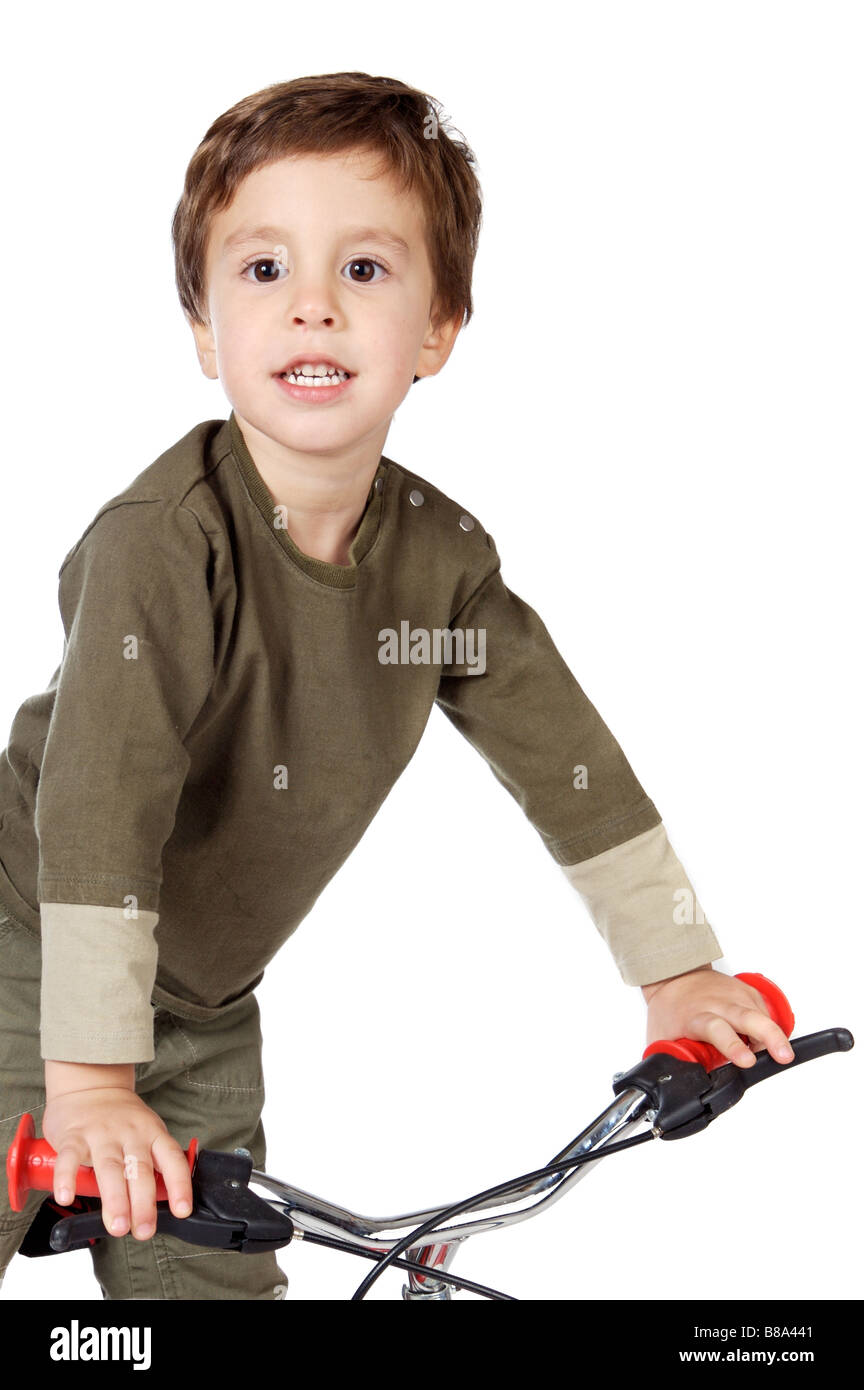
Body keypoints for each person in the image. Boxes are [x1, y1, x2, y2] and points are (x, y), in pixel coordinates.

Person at [0, 72, 795, 1301]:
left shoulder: (442, 565)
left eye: (364, 270)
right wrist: (93, 1079)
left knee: (208, 1287)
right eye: (264, 269)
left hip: (202, 1002)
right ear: (205, 327)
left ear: (438, 328)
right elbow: (104, 803)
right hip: (28, 945)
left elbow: (569, 762)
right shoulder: (162, 545)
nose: (312, 304)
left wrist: (677, 968)